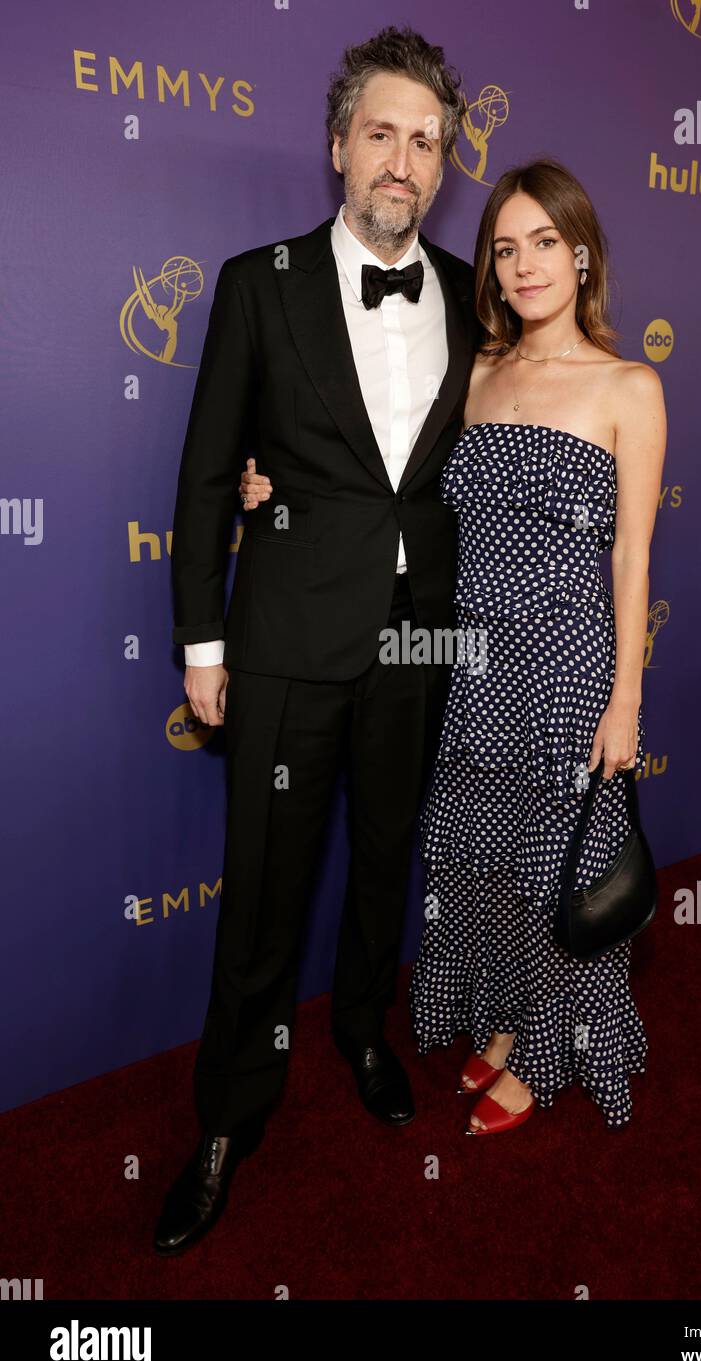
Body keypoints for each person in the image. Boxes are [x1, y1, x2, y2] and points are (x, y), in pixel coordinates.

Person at [241, 157, 667, 1138]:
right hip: (466, 667)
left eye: (543, 244)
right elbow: (372, 469)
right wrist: (268, 488)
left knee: (558, 859)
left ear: (583, 253)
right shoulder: (468, 371)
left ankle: (555, 1045)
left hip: (566, 669)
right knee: (482, 858)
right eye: (504, 249)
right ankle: (508, 1023)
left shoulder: (628, 386)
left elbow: (634, 559)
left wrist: (625, 700)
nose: (522, 267)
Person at [154, 26, 477, 1256]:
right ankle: (228, 1119)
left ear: (444, 164)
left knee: (387, 858)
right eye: (383, 133)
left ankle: (359, 1030)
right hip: (283, 639)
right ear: (339, 146)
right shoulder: (258, 280)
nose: (404, 160)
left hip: (416, 641)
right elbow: (200, 478)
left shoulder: (464, 291)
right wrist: (199, 637)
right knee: (263, 898)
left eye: (427, 141)